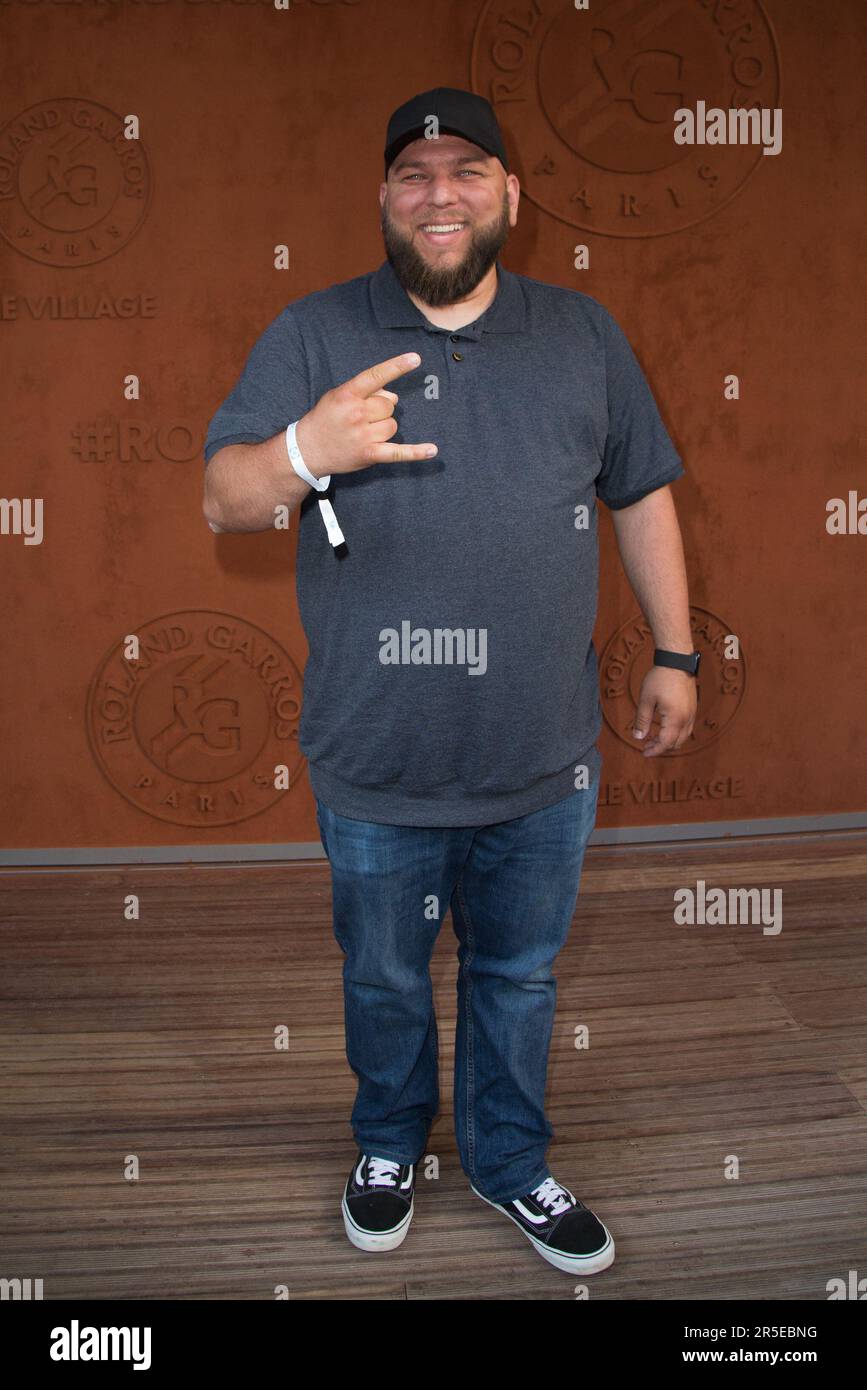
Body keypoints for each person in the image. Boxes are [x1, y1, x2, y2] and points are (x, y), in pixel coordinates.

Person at [203, 87, 698, 1278]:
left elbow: (639, 490)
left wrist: (677, 650)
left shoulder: (583, 332)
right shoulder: (316, 333)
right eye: (414, 174)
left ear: (510, 196)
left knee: (519, 977)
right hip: (377, 764)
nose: (440, 193)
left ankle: (510, 1158)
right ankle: (385, 1142)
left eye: (467, 170)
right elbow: (226, 497)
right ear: (384, 197)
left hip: (544, 760)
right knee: (382, 978)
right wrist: (301, 453)